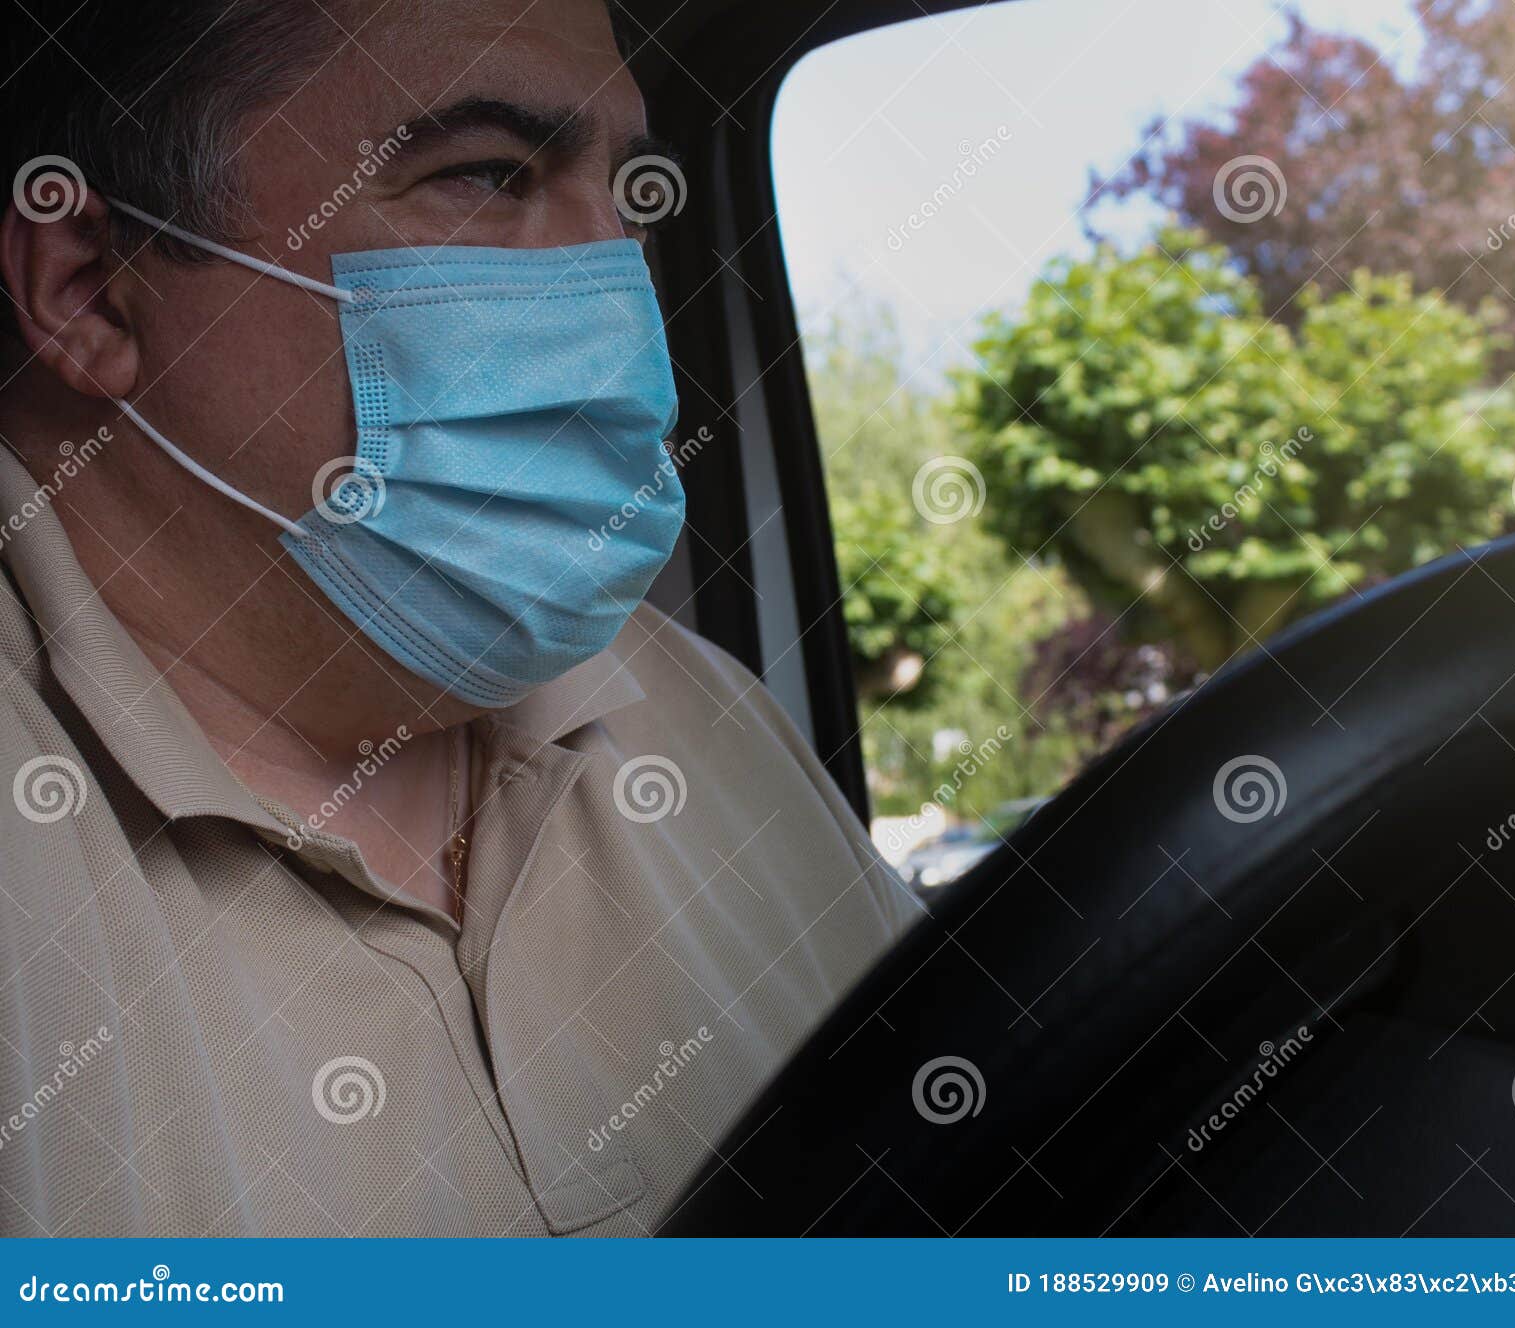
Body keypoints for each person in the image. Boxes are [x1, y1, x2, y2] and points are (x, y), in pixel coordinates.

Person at [0, 0, 919, 1236]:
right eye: (488, 176)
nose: (616, 289)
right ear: (93, 293)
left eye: (624, 192)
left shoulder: (698, 708)